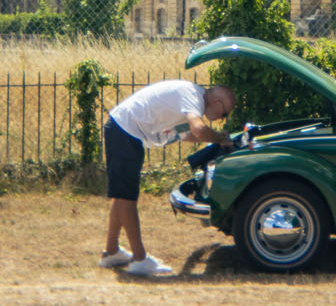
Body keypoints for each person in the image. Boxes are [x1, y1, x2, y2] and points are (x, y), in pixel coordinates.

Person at [99, 80, 236, 277]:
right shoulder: (194, 96)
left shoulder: (193, 100)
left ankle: (111, 252)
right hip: (125, 130)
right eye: (225, 113)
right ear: (216, 101)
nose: (222, 118)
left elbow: (187, 134)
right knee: (127, 199)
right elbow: (198, 130)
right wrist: (219, 139)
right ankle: (139, 259)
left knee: (122, 196)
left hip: (125, 130)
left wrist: (215, 137)